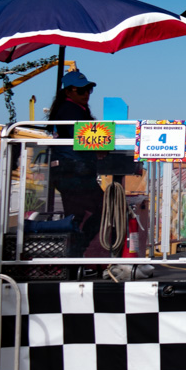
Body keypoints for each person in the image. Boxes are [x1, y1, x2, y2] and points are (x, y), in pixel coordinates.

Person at [48, 70, 103, 253]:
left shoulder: (75, 109)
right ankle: (74, 252)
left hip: (74, 171)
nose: (86, 94)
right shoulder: (69, 110)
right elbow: (81, 138)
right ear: (69, 92)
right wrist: (99, 150)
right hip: (72, 171)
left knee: (78, 216)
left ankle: (73, 255)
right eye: (81, 91)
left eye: (88, 90)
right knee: (100, 210)